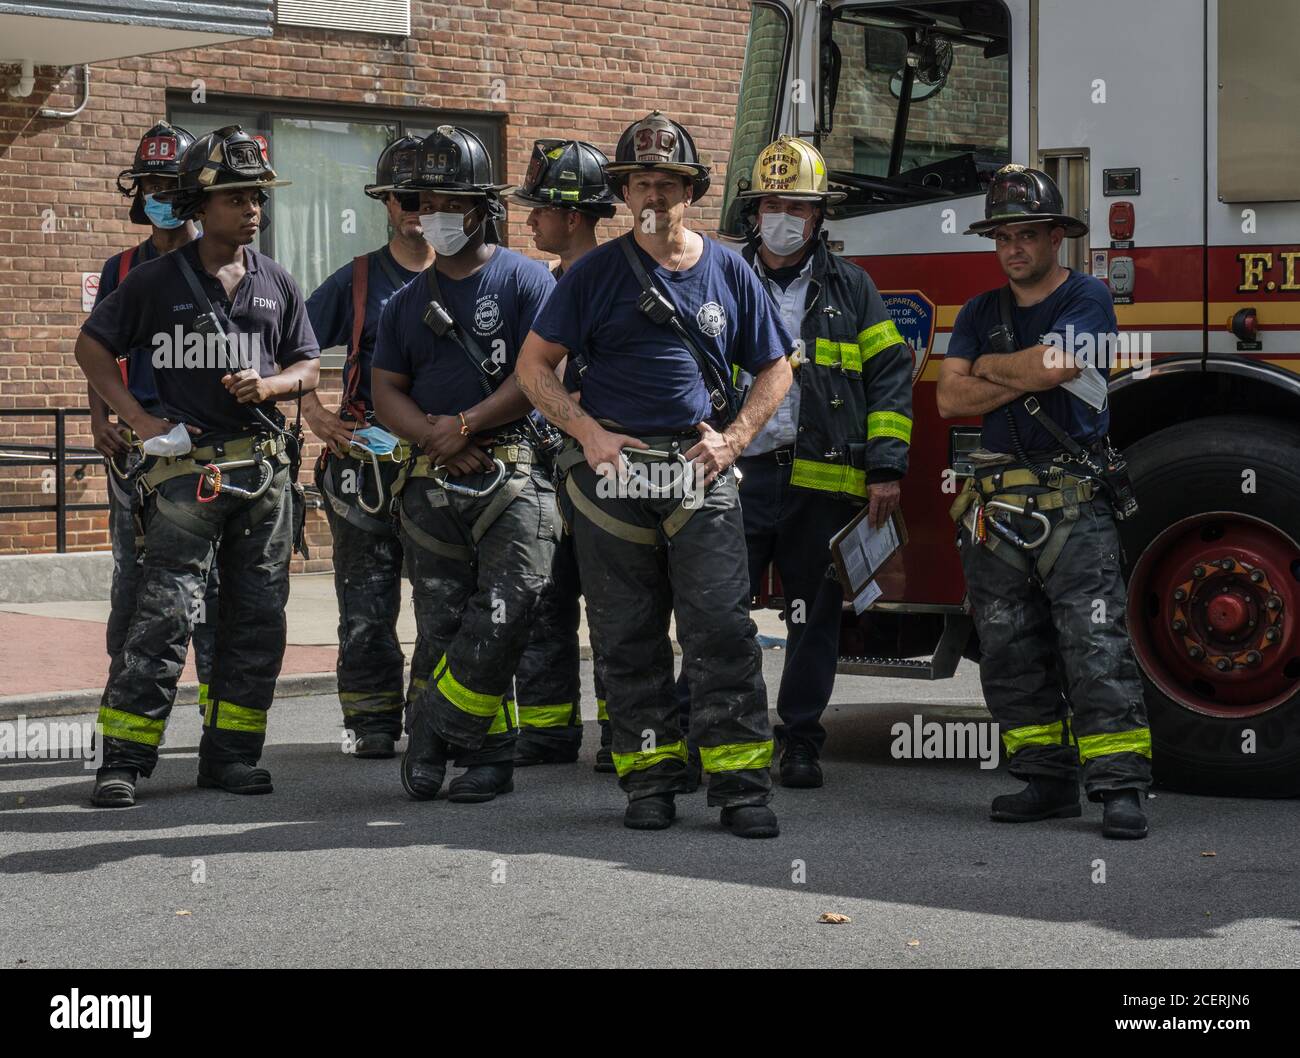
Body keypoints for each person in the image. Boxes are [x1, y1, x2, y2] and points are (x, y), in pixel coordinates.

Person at [515, 111, 794, 838]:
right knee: (627, 635)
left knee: (722, 630)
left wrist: (734, 440)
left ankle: (739, 786)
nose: (655, 194)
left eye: (669, 182)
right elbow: (532, 366)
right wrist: (586, 431)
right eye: (642, 181)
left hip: (699, 474)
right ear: (624, 189)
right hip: (613, 481)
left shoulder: (730, 268)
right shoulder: (595, 276)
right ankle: (649, 783)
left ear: (692, 190)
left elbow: (777, 367)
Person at [75, 125, 320, 807]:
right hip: (188, 479)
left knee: (256, 620)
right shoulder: (154, 282)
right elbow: (92, 349)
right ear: (200, 205)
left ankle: (232, 756)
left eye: (257, 199)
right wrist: (143, 421)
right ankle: (121, 760)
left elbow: (307, 362)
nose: (252, 210)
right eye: (237, 197)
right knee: (162, 616)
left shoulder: (278, 282)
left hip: (264, 479)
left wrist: (273, 386)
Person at [937, 163, 1151, 839]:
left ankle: (1119, 788)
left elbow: (1058, 367)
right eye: (1002, 237)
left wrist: (992, 370)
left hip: (1072, 501)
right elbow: (948, 399)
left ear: (1056, 236)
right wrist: (1026, 366)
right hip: (995, 508)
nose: (1013, 248)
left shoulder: (1088, 298)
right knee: (1008, 648)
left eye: (1027, 234)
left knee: (1094, 646)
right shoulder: (977, 311)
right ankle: (1045, 781)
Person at [717, 135, 913, 789]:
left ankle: (799, 740)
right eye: (773, 203)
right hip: (737, 475)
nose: (783, 217)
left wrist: (886, 466)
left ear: (818, 216)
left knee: (812, 617)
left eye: (797, 206)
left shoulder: (851, 288)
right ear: (754, 211)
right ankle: (717, 731)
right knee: (716, 607)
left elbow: (889, 376)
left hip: (820, 479)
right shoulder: (721, 279)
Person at [370, 126, 557, 804]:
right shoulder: (404, 302)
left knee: (509, 607)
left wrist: (468, 423)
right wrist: (432, 436)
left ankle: (431, 735)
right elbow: (384, 385)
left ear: (482, 206)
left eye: (451, 200)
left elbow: (544, 370)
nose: (434, 215)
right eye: (425, 201)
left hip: (515, 471)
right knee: (443, 624)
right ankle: (488, 758)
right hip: (432, 480)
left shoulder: (527, 279)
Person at [302, 136, 430, 759]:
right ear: (386, 203)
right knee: (366, 608)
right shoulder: (356, 280)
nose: (418, 208)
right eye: (406, 197)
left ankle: (442, 722)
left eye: (432, 198)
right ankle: (373, 723)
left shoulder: (479, 277)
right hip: (365, 476)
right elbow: (289, 346)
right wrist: (316, 416)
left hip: (447, 468)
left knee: (445, 606)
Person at [91, 120, 220, 712]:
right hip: (141, 452)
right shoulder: (120, 271)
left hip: (208, 450)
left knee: (216, 585)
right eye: (149, 186)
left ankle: (223, 711)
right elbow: (97, 349)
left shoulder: (223, 263)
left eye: (170, 186)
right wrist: (104, 419)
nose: (159, 198)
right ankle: (124, 694)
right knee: (134, 579)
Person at [506, 138, 618, 769]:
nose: (530, 222)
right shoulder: (541, 285)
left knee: (614, 602)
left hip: (602, 468)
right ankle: (548, 731)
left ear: (572, 216)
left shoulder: (617, 284)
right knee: (544, 597)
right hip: (546, 468)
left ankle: (624, 733)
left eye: (540, 211)